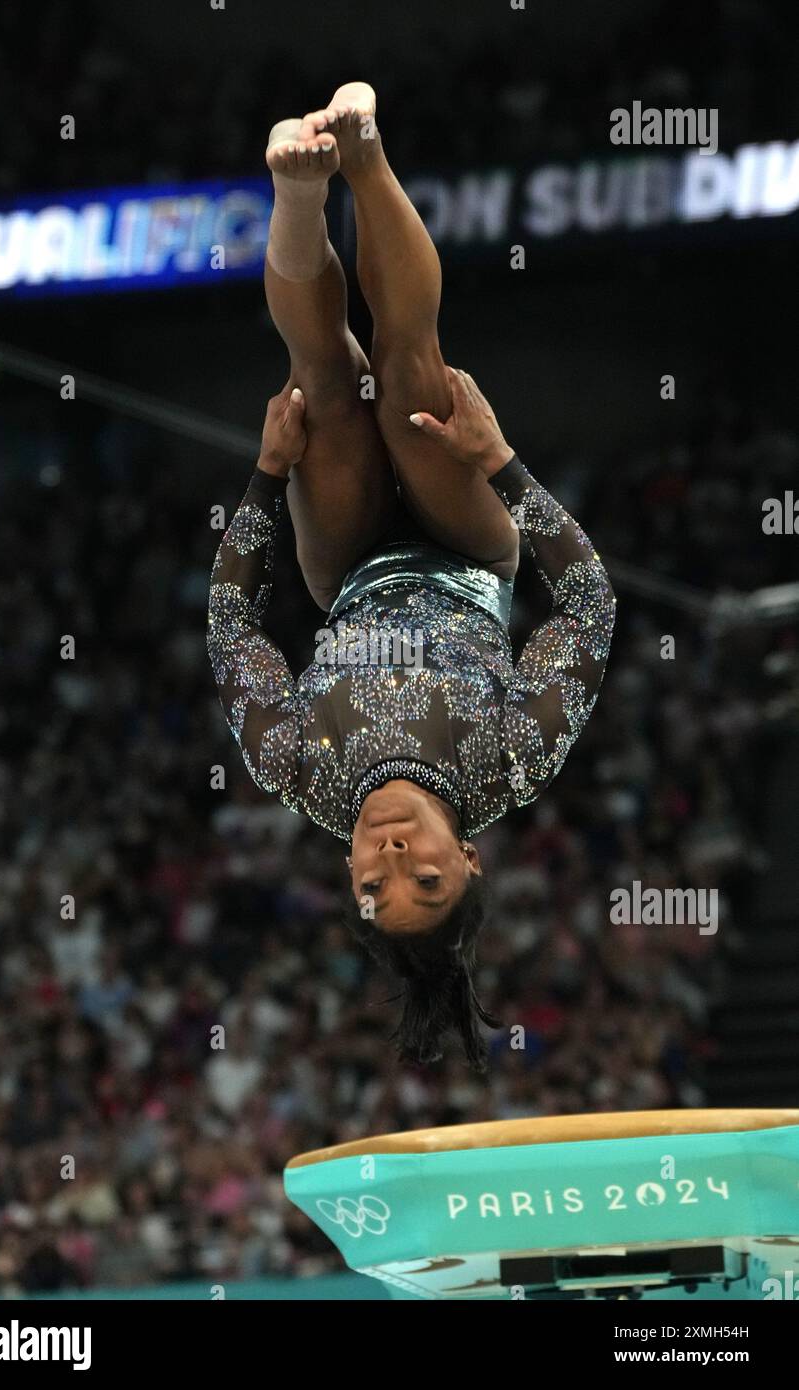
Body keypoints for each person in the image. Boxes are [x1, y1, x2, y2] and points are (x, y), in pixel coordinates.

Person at [208, 83, 615, 1066]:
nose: (389, 861)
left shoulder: (300, 770)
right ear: (469, 861)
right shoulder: (508, 758)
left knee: (327, 388)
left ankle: (297, 196)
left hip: (343, 561)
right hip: (470, 545)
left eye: (370, 888)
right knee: (411, 388)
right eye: (423, 883)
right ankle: (361, 147)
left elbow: (231, 627)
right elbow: (590, 603)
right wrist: (499, 463)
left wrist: (267, 477)